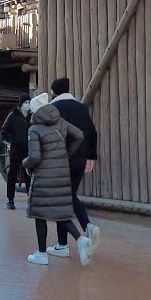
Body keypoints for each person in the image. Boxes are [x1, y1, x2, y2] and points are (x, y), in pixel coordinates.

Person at [22, 101, 90, 266]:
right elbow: (79, 135)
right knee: (58, 210)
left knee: (40, 214)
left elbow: (35, 157)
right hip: (61, 172)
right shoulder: (61, 121)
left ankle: (42, 254)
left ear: (34, 111)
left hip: (44, 175)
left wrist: (24, 164)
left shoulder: (34, 129)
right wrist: (66, 154)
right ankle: (80, 240)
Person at [49, 77, 101, 254]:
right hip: (80, 159)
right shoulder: (81, 108)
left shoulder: (53, 109)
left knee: (61, 199)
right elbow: (92, 132)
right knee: (69, 196)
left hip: (59, 160)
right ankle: (77, 233)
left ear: (53, 92)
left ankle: (65, 243)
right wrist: (91, 156)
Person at [0, 96, 34, 210]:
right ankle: (10, 200)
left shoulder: (32, 117)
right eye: (25, 102)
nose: (27, 104)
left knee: (29, 175)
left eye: (29, 102)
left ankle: (31, 200)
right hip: (16, 149)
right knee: (12, 175)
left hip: (28, 149)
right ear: (21, 104)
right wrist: (13, 140)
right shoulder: (13, 116)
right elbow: (5, 131)